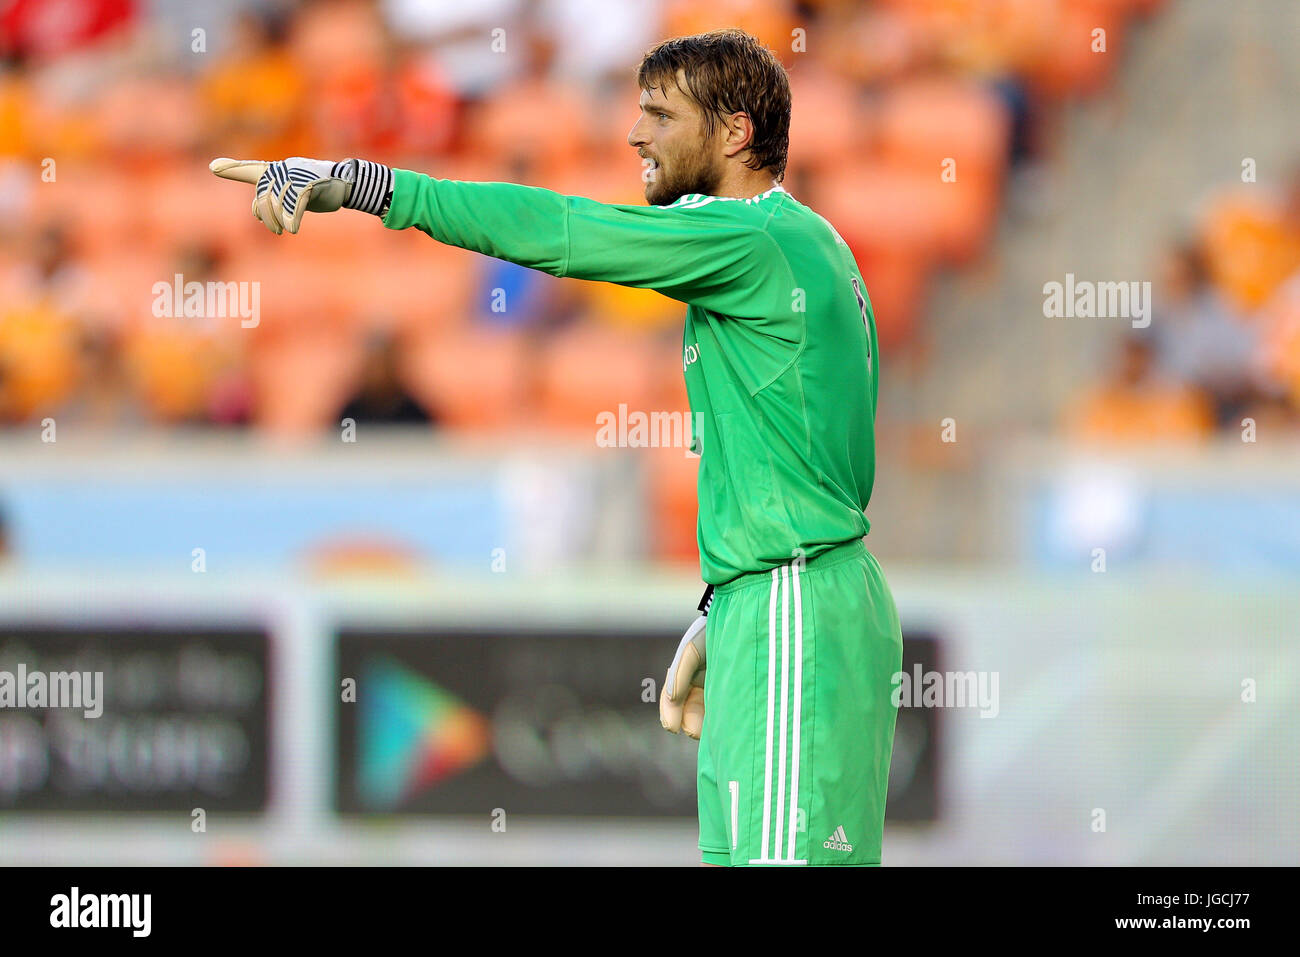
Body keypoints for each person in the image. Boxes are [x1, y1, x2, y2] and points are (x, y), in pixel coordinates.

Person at [210, 28, 901, 867]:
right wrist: (729, 598)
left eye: (660, 114)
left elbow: (559, 229)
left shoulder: (750, 239)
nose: (636, 135)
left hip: (795, 601)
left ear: (734, 133)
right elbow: (800, 451)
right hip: (772, 596)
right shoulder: (791, 244)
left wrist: (366, 182)